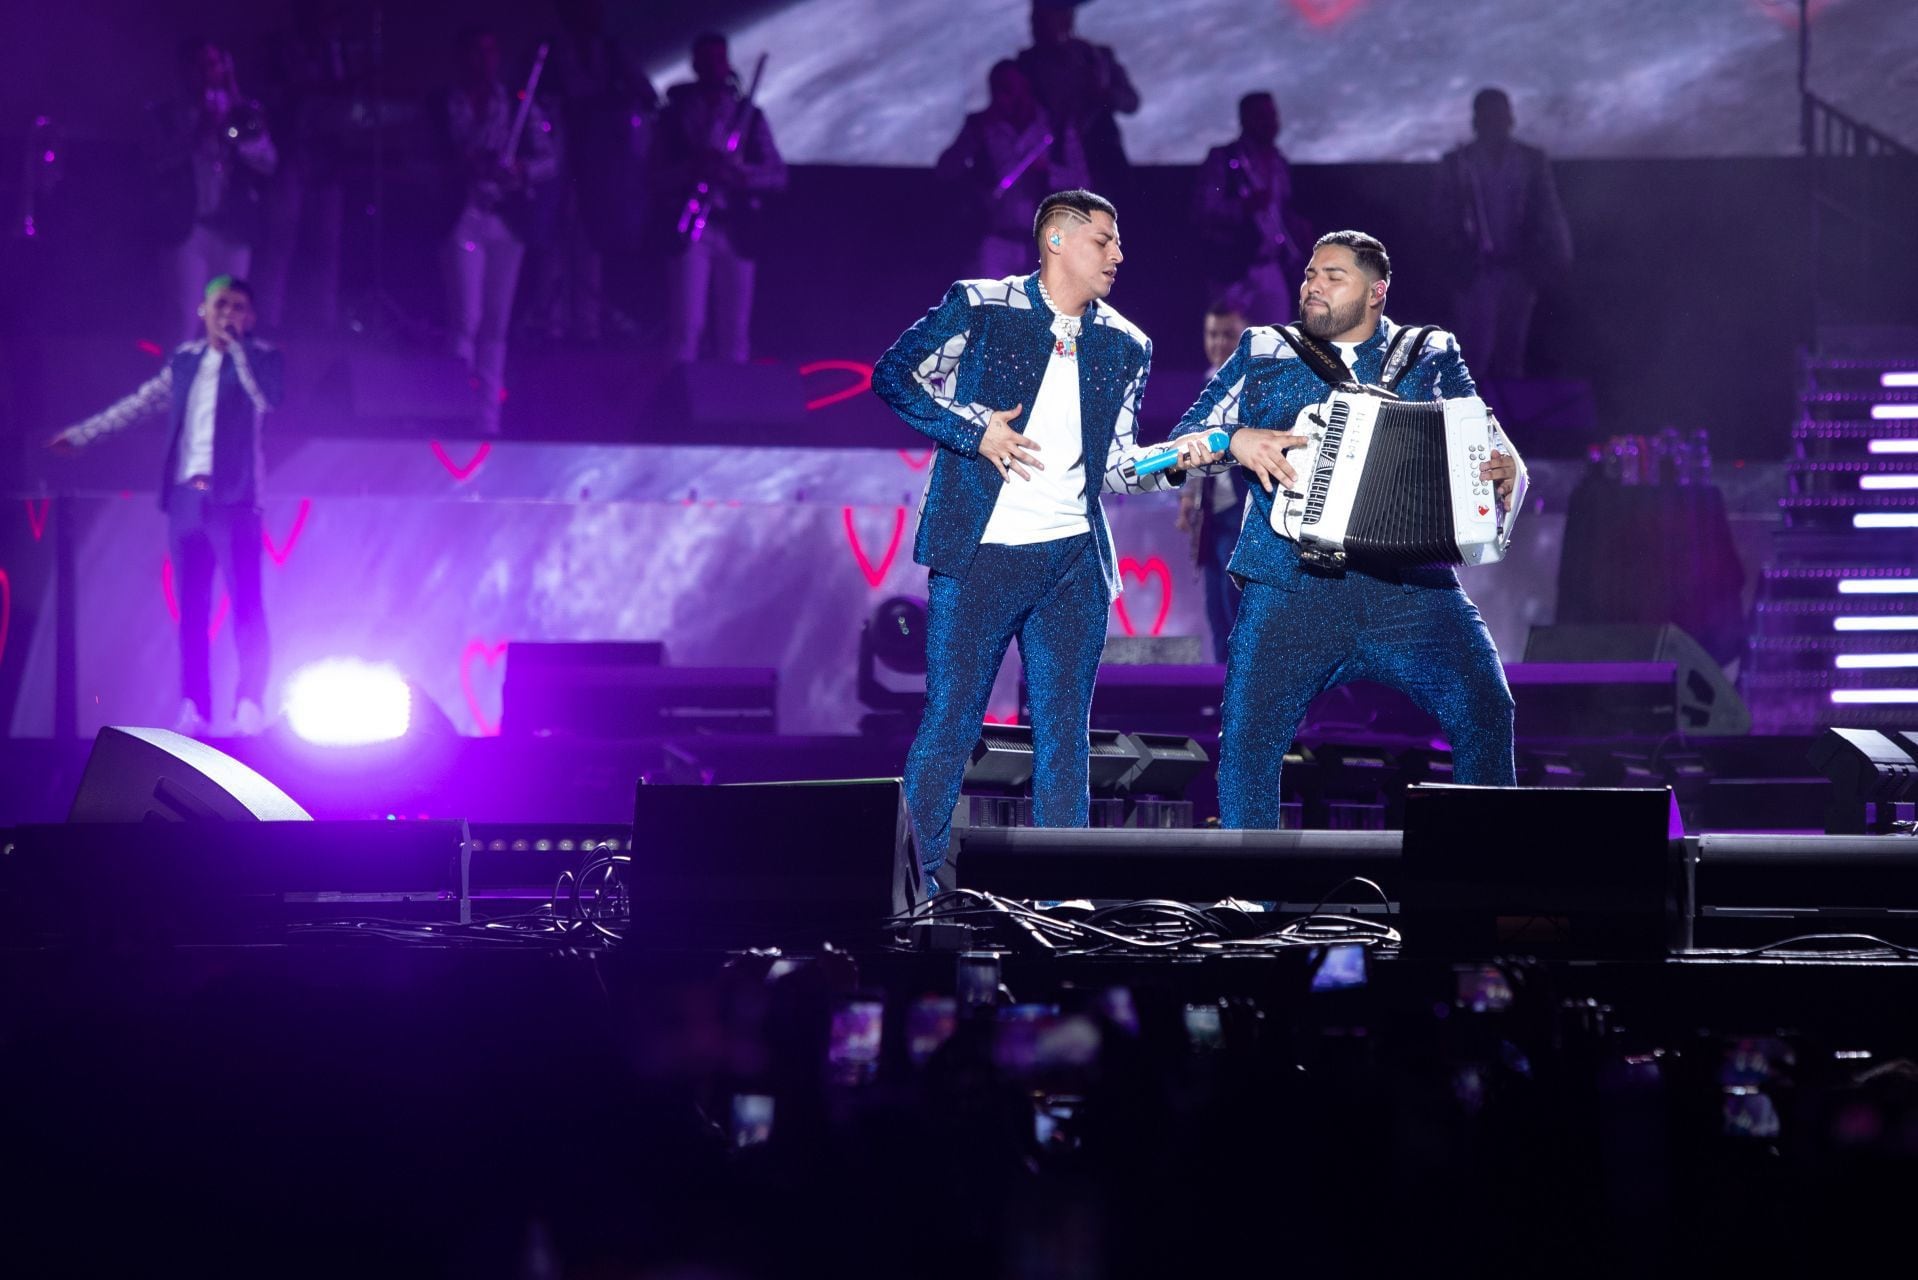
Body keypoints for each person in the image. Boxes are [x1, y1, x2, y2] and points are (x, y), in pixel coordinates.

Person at [871, 189, 1212, 879]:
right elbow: (894, 377)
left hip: (1073, 563)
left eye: (1119, 243)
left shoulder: (1126, 343)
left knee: (1065, 737)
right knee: (952, 723)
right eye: (1104, 240)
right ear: (1056, 239)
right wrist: (975, 430)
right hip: (980, 554)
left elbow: (1116, 466)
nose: (1119, 254)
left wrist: (1180, 458)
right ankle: (913, 886)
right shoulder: (982, 306)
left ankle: (1062, 894)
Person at [1168, 231, 1525, 829]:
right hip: (1290, 588)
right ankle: (1251, 884)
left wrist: (1506, 467)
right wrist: (1233, 438)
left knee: (1487, 707)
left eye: (1333, 277)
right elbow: (1181, 442)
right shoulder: (1265, 349)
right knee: (1248, 741)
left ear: (1376, 292)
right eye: (1310, 274)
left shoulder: (1429, 351)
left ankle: (1482, 872)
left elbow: (1486, 440)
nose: (1313, 285)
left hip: (1411, 591)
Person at [47, 277, 283, 737]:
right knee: (191, 610)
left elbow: (267, 399)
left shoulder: (262, 358)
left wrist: (239, 350)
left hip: (236, 500)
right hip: (187, 500)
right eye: (221, 305)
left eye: (238, 307)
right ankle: (194, 706)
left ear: (250, 317)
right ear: (203, 310)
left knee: (245, 606)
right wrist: (82, 436)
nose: (228, 314)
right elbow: (139, 405)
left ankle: (250, 703)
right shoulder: (184, 362)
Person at [439, 26, 560, 435]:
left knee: (496, 323)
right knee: (466, 317)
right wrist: (470, 160)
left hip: (505, 220)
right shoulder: (446, 103)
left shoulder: (517, 104)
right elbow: (437, 151)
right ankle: (455, 410)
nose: (484, 61)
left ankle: (488, 418)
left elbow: (549, 160)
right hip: (463, 215)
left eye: (490, 53)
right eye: (476, 53)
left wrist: (520, 169)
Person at [655, 32, 786, 364]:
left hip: (737, 230)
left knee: (735, 331)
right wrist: (693, 168)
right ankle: (681, 393)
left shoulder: (748, 116)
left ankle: (734, 395)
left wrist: (739, 175)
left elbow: (777, 174)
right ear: (696, 65)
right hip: (691, 230)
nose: (715, 68)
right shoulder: (675, 116)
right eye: (708, 60)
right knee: (687, 327)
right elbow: (655, 174)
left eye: (720, 59)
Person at [145, 38, 278, 344]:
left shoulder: (243, 112)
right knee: (184, 317)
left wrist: (236, 128)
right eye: (199, 65)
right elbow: (155, 162)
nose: (207, 72)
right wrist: (197, 132)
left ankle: (220, 376)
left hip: (232, 230)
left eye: (214, 64)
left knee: (229, 323)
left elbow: (268, 162)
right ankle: (180, 374)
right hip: (187, 229)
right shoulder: (166, 114)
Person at [1434, 88, 1573, 379]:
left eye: (1500, 114)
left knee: (1512, 354)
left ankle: (1509, 408)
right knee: (1473, 357)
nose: (1495, 122)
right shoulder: (1458, 162)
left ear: (1510, 118)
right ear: (1477, 120)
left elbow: (1548, 209)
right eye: (1489, 115)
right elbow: (1443, 217)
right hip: (1476, 273)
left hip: (1518, 270)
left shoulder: (1531, 160)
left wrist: (1559, 252)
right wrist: (1454, 265)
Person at [936, 60, 1089, 281]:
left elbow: (1082, 182)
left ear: (1027, 88)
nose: (1004, 97)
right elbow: (945, 170)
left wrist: (1048, 171)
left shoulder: (1055, 126)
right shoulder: (981, 126)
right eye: (998, 89)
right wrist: (972, 140)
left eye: (1010, 89)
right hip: (994, 240)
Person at [1174, 300, 1250, 663]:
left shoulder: (1254, 383)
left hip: (1243, 508)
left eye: (1228, 335)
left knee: (1234, 602)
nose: (1219, 343)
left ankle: (1242, 686)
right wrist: (1188, 499)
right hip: (1211, 511)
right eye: (1213, 334)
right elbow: (1190, 445)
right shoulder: (1207, 384)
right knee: (1215, 609)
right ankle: (1222, 685)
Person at [1194, 92, 1310, 326]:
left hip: (1270, 267)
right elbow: (1203, 208)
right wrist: (1242, 207)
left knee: (1275, 338)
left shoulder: (1278, 162)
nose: (1270, 122)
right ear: (1245, 119)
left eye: (1272, 115)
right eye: (1261, 116)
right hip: (1233, 271)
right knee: (1230, 340)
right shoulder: (1225, 159)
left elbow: (1282, 209)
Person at [1013, 0, 1139, 188]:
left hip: (1104, 160)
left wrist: (1105, 94)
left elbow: (1131, 102)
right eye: (1037, 17)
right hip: (1055, 166)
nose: (1036, 23)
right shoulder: (1027, 64)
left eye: (1047, 16)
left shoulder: (1096, 57)